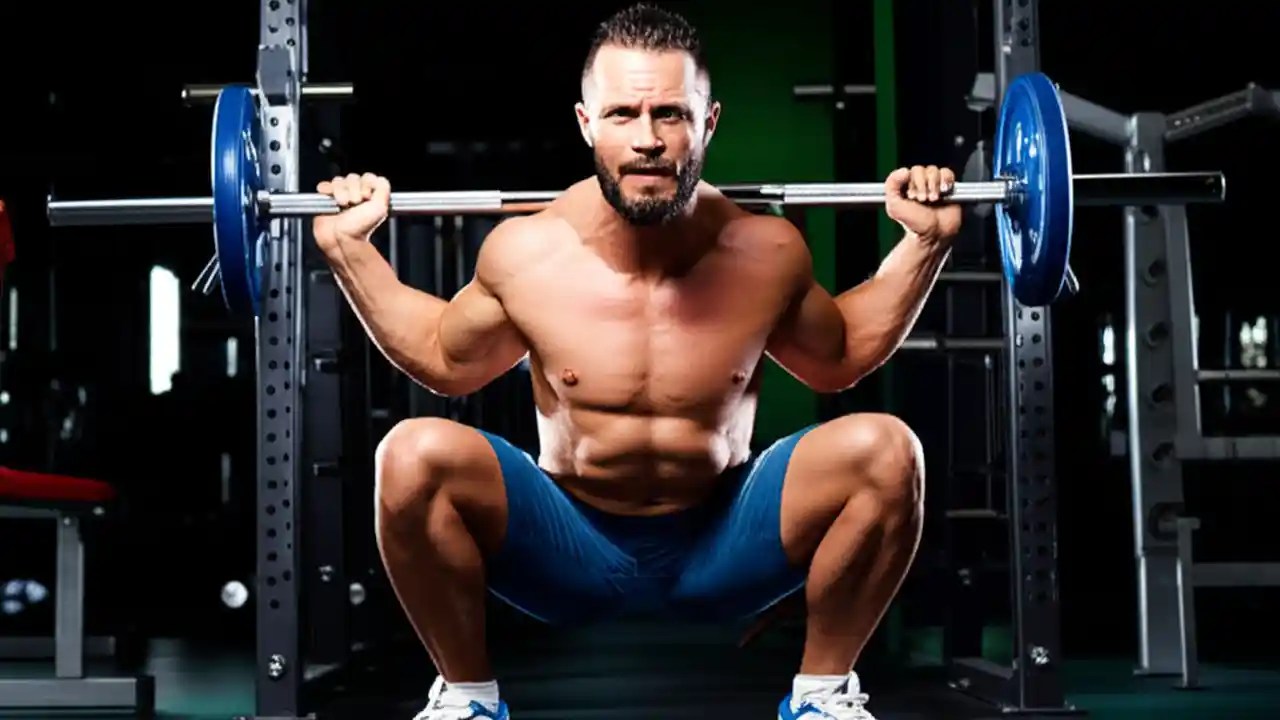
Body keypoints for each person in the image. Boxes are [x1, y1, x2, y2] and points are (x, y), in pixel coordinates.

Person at [314, 4, 960, 719]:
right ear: (587, 124)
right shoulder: (529, 253)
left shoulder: (765, 252)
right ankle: (467, 699)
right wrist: (349, 251)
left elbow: (837, 359)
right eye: (623, 114)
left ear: (707, 123)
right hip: (570, 549)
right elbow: (445, 359)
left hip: (724, 545)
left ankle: (821, 696)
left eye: (671, 115)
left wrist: (924, 244)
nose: (648, 140)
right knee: (410, 454)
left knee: (888, 451)